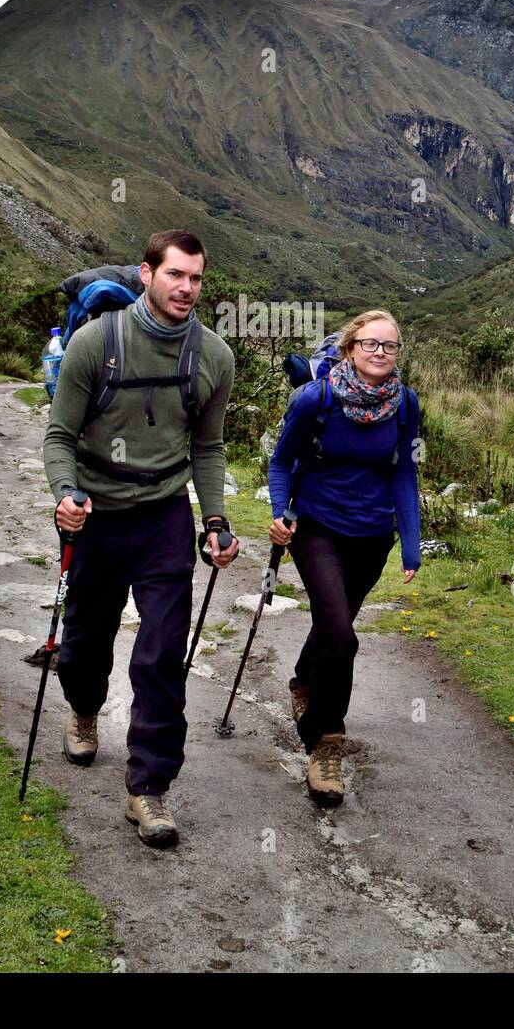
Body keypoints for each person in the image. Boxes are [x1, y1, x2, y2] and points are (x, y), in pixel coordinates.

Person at [43, 229, 238, 848]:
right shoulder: (94, 343)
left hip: (163, 518)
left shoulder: (213, 357)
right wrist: (66, 496)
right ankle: (83, 708)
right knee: (84, 641)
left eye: (197, 278)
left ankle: (148, 789)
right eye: (176, 275)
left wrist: (215, 521)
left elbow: (207, 447)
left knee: (160, 655)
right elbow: (58, 438)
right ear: (147, 274)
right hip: (97, 512)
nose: (187, 288)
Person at [268, 310, 420, 807]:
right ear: (350, 347)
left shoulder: (405, 405)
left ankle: (304, 679)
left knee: (335, 625)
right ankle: (325, 741)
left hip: (374, 533)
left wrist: (411, 540)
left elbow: (403, 474)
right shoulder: (317, 398)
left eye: (390, 346)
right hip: (316, 526)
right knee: (340, 632)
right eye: (371, 344)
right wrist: (280, 511)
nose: (381, 353)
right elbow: (282, 460)